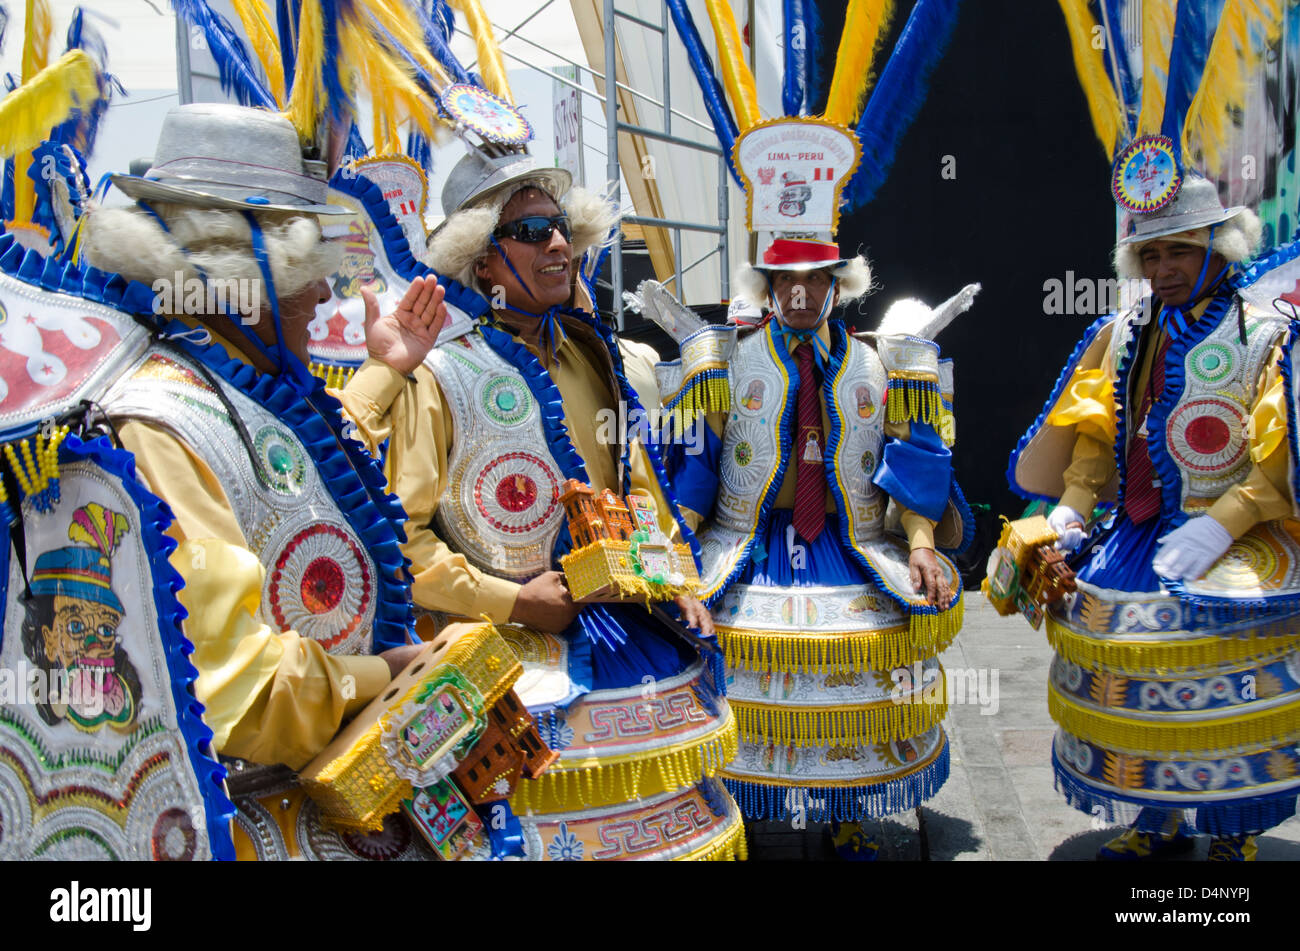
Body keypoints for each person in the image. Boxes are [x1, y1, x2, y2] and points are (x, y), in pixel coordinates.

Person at [339, 145, 745, 861]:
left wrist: (675, 575)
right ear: (484, 262)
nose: (557, 243)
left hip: (625, 635)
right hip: (505, 661)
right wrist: (513, 601)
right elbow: (403, 545)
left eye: (559, 226)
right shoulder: (438, 372)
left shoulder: (593, 352)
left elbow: (637, 484)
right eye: (530, 232)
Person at [73, 102, 449, 858]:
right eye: (310, 264)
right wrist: (385, 671)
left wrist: (386, 370)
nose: (323, 293)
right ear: (242, 267)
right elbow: (235, 688)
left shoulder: (212, 384)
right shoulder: (157, 417)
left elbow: (286, 478)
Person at [648, 233, 972, 860]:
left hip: (851, 545)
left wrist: (924, 544)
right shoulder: (725, 362)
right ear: (766, 287)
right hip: (752, 544)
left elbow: (911, 468)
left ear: (837, 286)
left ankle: (845, 816)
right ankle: (743, 812)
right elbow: (697, 468)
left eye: (815, 279)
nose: (799, 293)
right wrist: (675, 551)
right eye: (785, 280)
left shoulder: (880, 367)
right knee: (741, 679)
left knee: (853, 682)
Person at [1009, 176, 1300, 861]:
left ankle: (1233, 831)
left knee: (1224, 691)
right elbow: (1095, 430)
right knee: (1136, 686)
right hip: (1135, 534)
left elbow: (1282, 456)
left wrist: (1224, 521)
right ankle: (1155, 816)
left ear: (1218, 250)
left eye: (1178, 252)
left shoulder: (1266, 337)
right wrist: (1073, 510)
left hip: (1229, 544)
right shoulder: (1126, 332)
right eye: (1149, 256)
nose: (1162, 269)